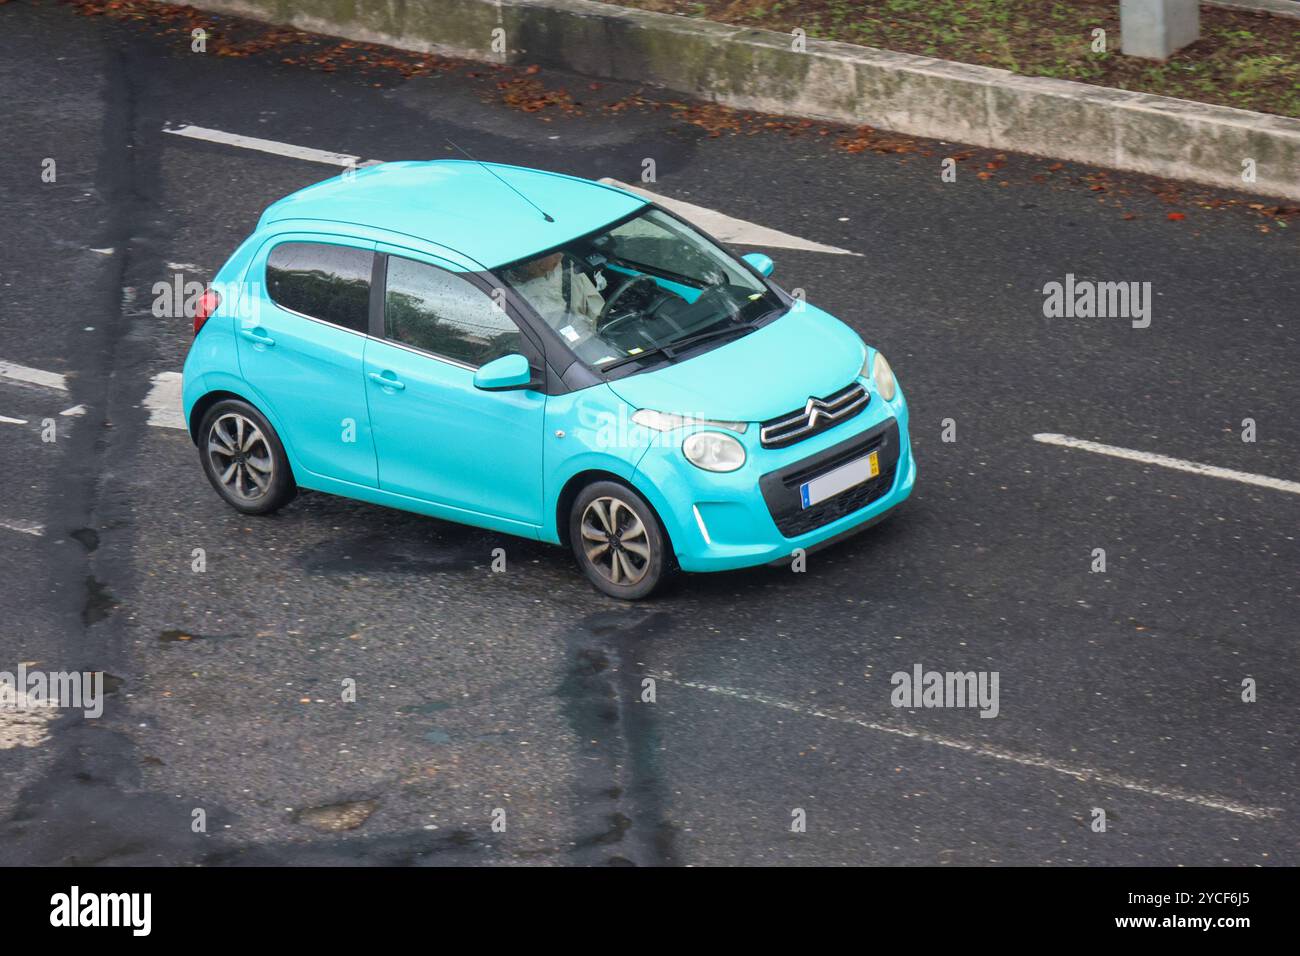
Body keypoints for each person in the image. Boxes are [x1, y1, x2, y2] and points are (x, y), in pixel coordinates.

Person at [506, 251, 606, 332]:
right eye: (555, 257)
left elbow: (595, 306)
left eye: (559, 255)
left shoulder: (565, 266)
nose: (559, 258)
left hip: (590, 331)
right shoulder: (510, 293)